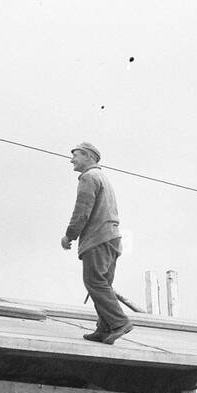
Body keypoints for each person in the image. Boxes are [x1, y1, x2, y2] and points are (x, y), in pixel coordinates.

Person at [63, 142, 131, 344]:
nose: (72, 160)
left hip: (98, 237)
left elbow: (82, 211)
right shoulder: (102, 177)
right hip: (112, 238)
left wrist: (69, 236)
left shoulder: (89, 177)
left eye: (76, 155)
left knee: (95, 282)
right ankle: (104, 328)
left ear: (88, 156)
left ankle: (119, 322)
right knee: (103, 284)